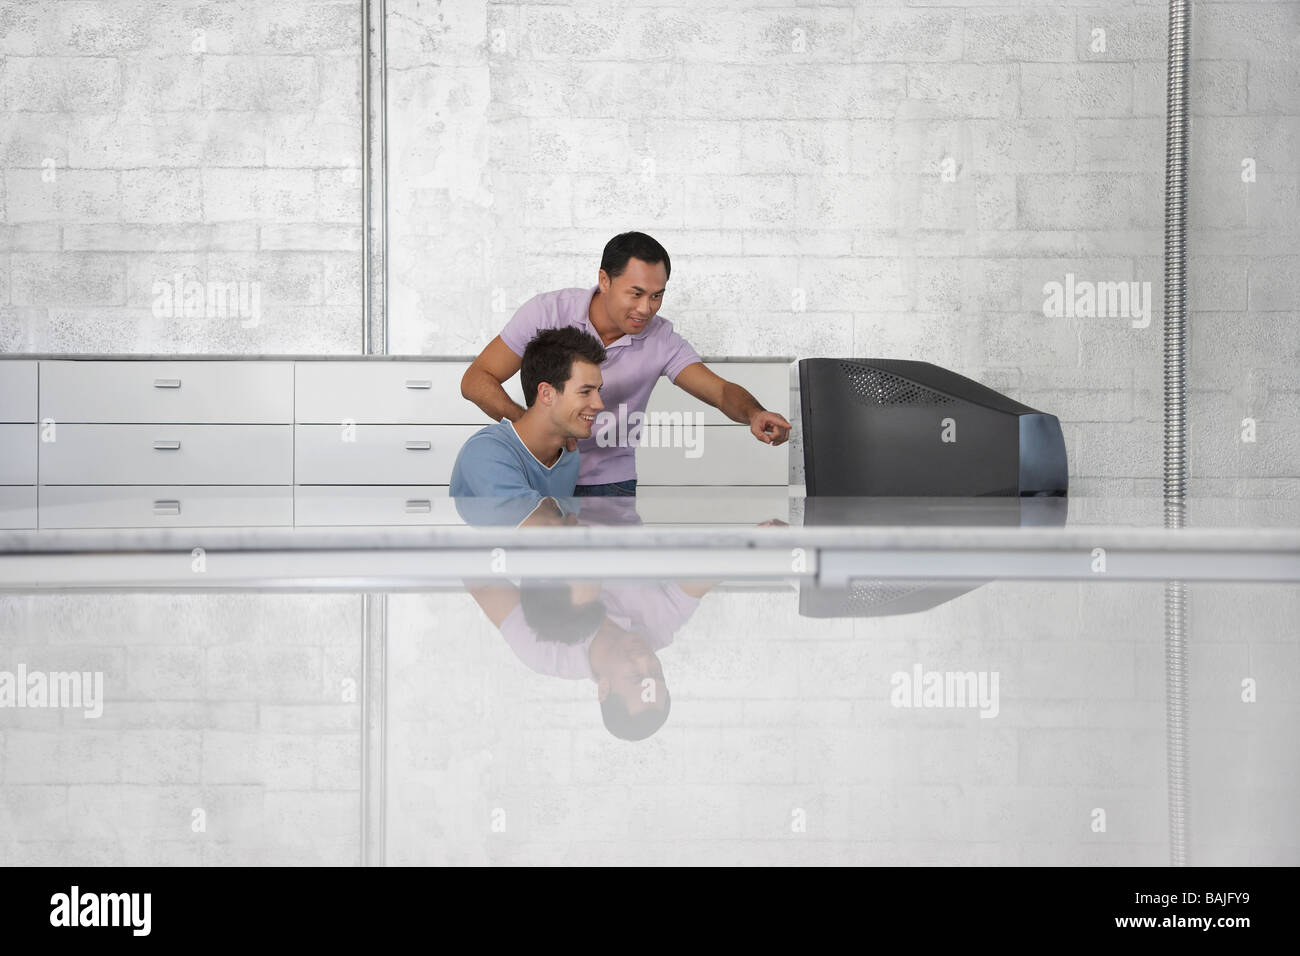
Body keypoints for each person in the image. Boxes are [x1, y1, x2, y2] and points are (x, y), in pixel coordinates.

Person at [460, 231, 792, 497]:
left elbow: (719, 391)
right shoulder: (545, 313)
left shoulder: (661, 338)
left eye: (657, 295)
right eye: (635, 293)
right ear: (604, 281)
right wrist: (532, 429)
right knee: (539, 573)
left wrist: (754, 412)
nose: (646, 309)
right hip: (536, 468)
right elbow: (476, 379)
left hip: (608, 482)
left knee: (609, 579)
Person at [449, 326, 606, 524]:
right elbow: (540, 525)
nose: (599, 404)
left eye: (599, 390)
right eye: (585, 392)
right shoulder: (485, 451)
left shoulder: (569, 457)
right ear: (547, 394)